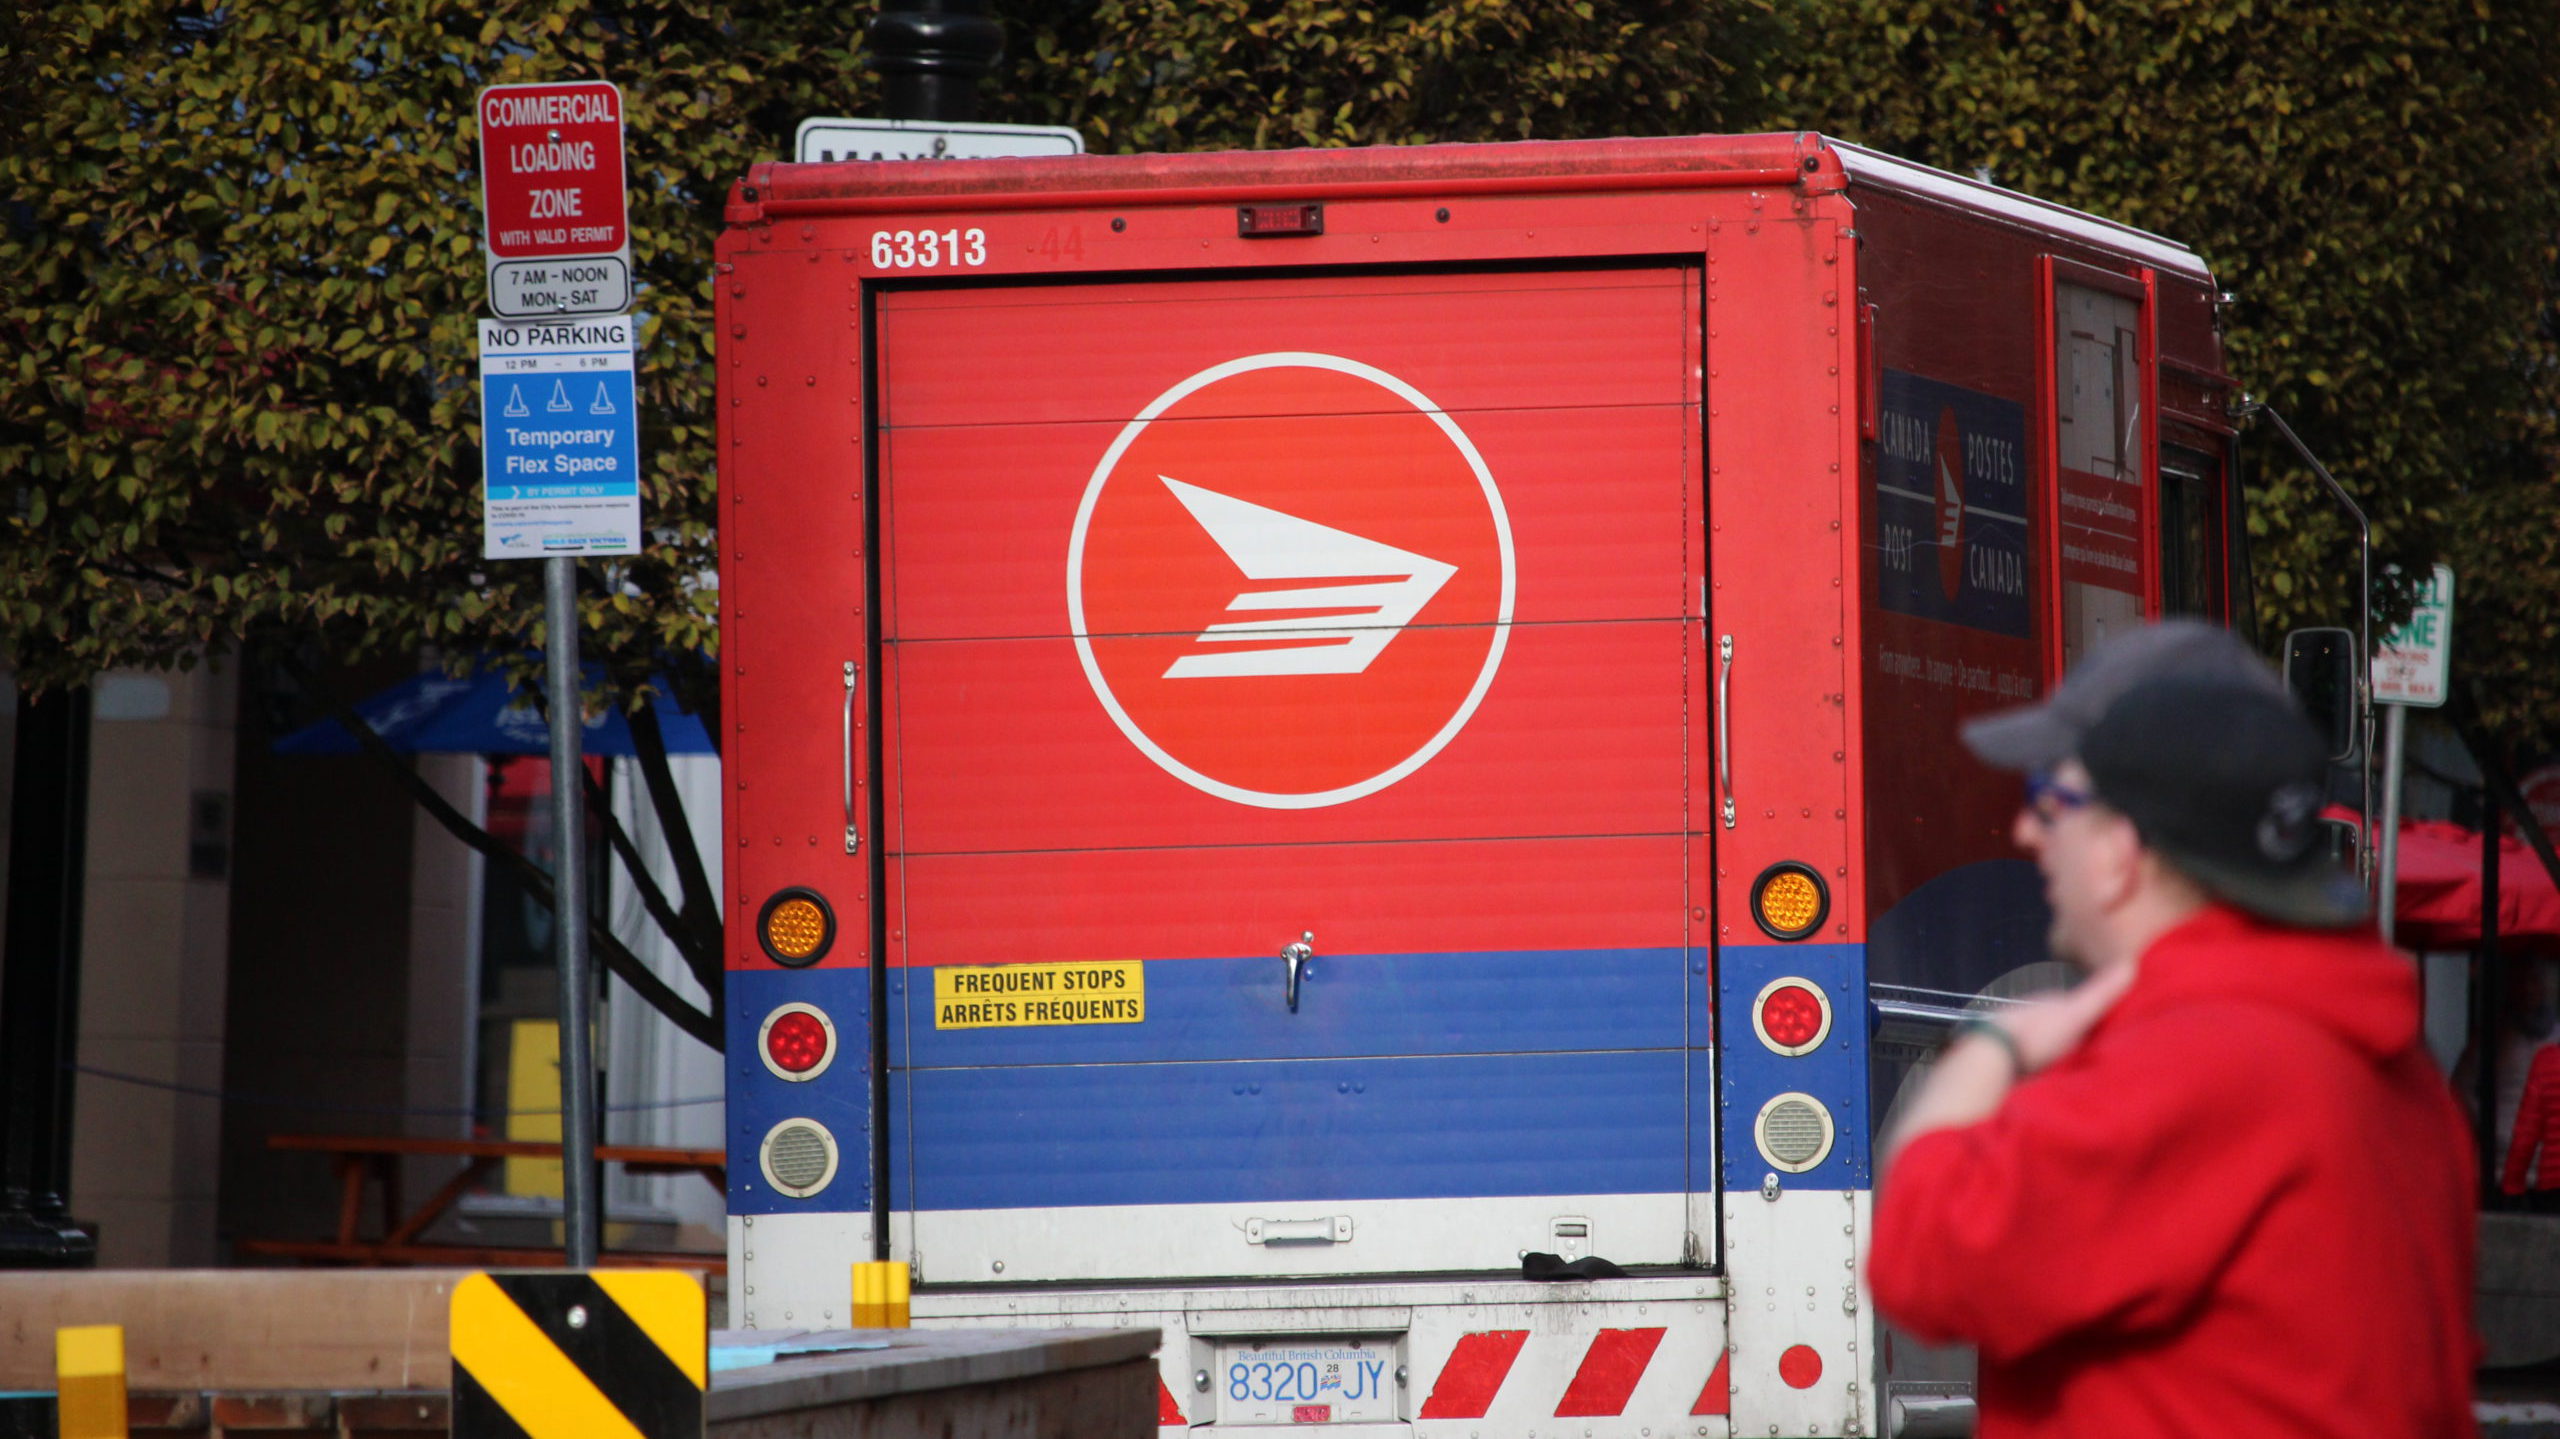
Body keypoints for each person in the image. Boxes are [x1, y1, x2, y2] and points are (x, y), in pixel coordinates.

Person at [1867, 619, 2477, 1438]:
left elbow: (1919, 1260)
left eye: (2050, 798)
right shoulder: (2373, 1048)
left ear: (2123, 849)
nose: (2025, 831)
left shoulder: (2194, 1064)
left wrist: (1991, 1049)